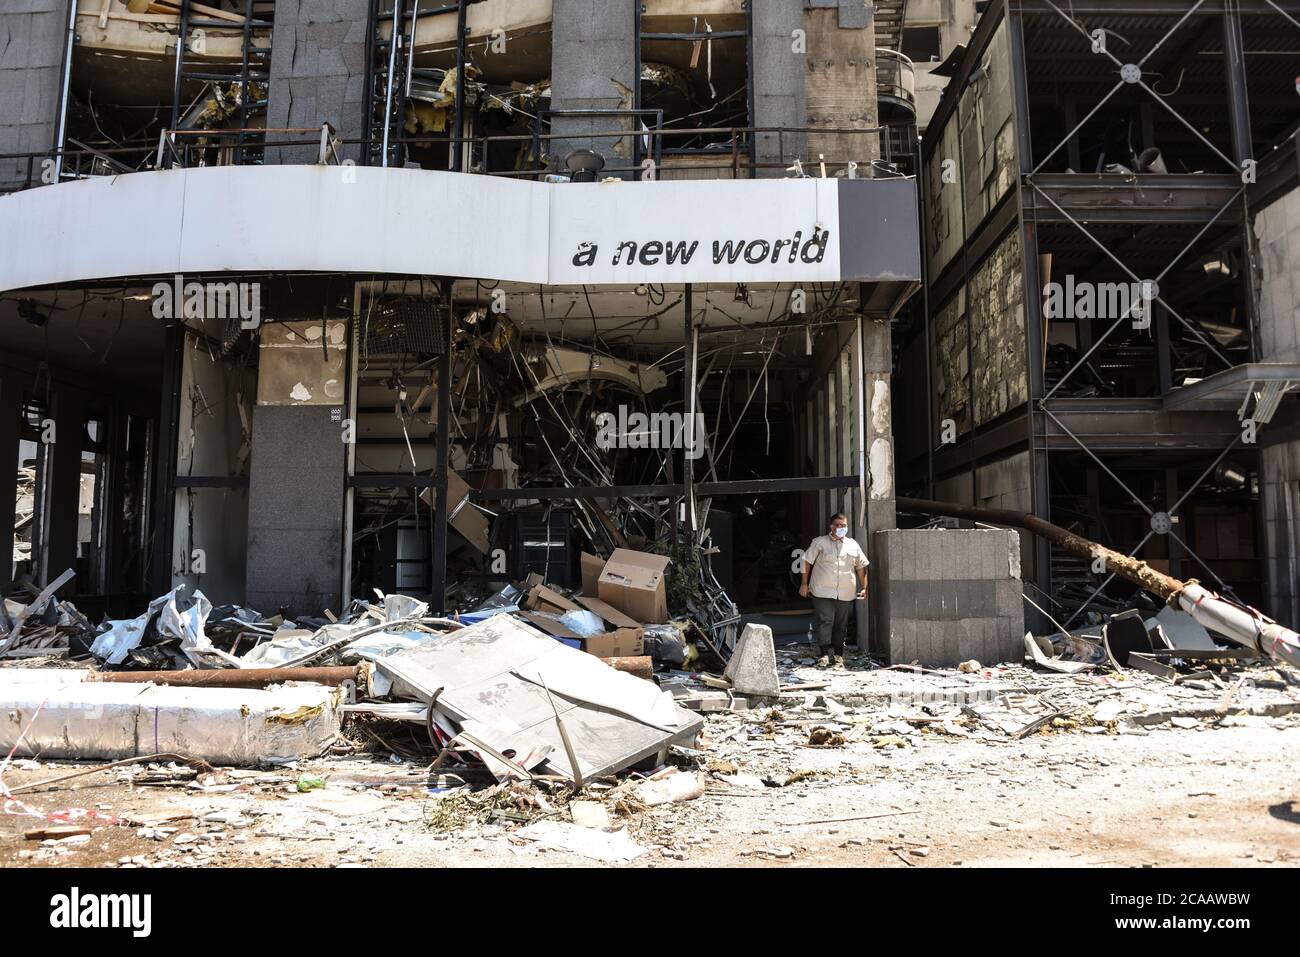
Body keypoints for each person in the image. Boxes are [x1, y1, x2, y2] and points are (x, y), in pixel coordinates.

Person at [799, 513, 868, 668]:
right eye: (837, 525)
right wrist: (804, 584)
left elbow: (861, 568)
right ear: (831, 526)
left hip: (845, 592)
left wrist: (864, 588)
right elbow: (806, 561)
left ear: (847, 527)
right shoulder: (819, 542)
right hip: (822, 591)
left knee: (841, 624)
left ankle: (838, 655)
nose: (840, 528)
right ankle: (823, 654)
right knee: (826, 621)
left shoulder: (853, 545)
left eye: (843, 525)